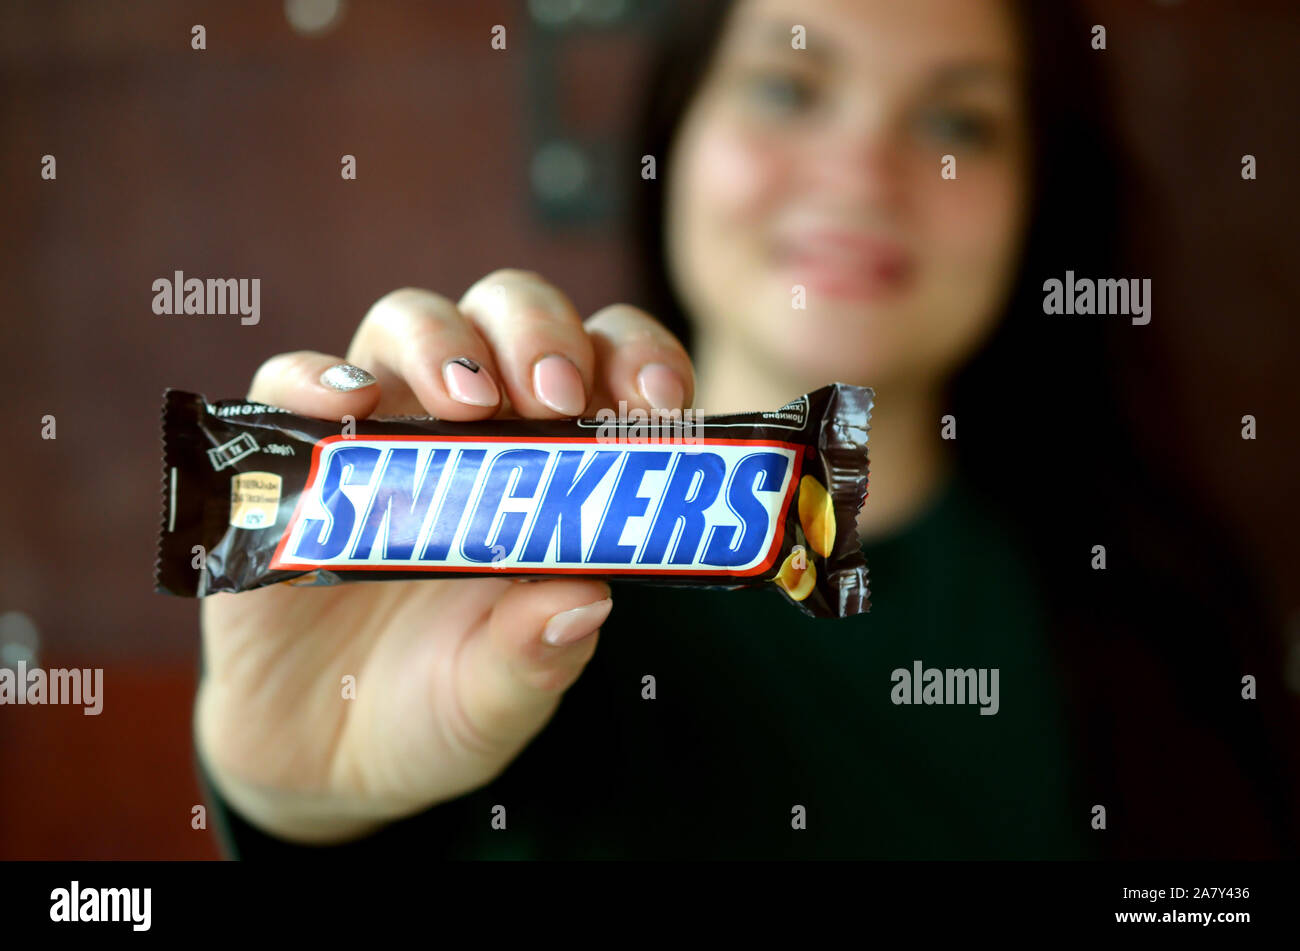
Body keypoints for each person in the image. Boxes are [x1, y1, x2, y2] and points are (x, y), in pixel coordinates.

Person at [193, 0, 1296, 858]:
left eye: (958, 119)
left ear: (1037, 201)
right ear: (672, 137)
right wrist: (296, 803)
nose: (863, 171)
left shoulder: (1169, 631)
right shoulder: (490, 615)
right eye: (787, 86)